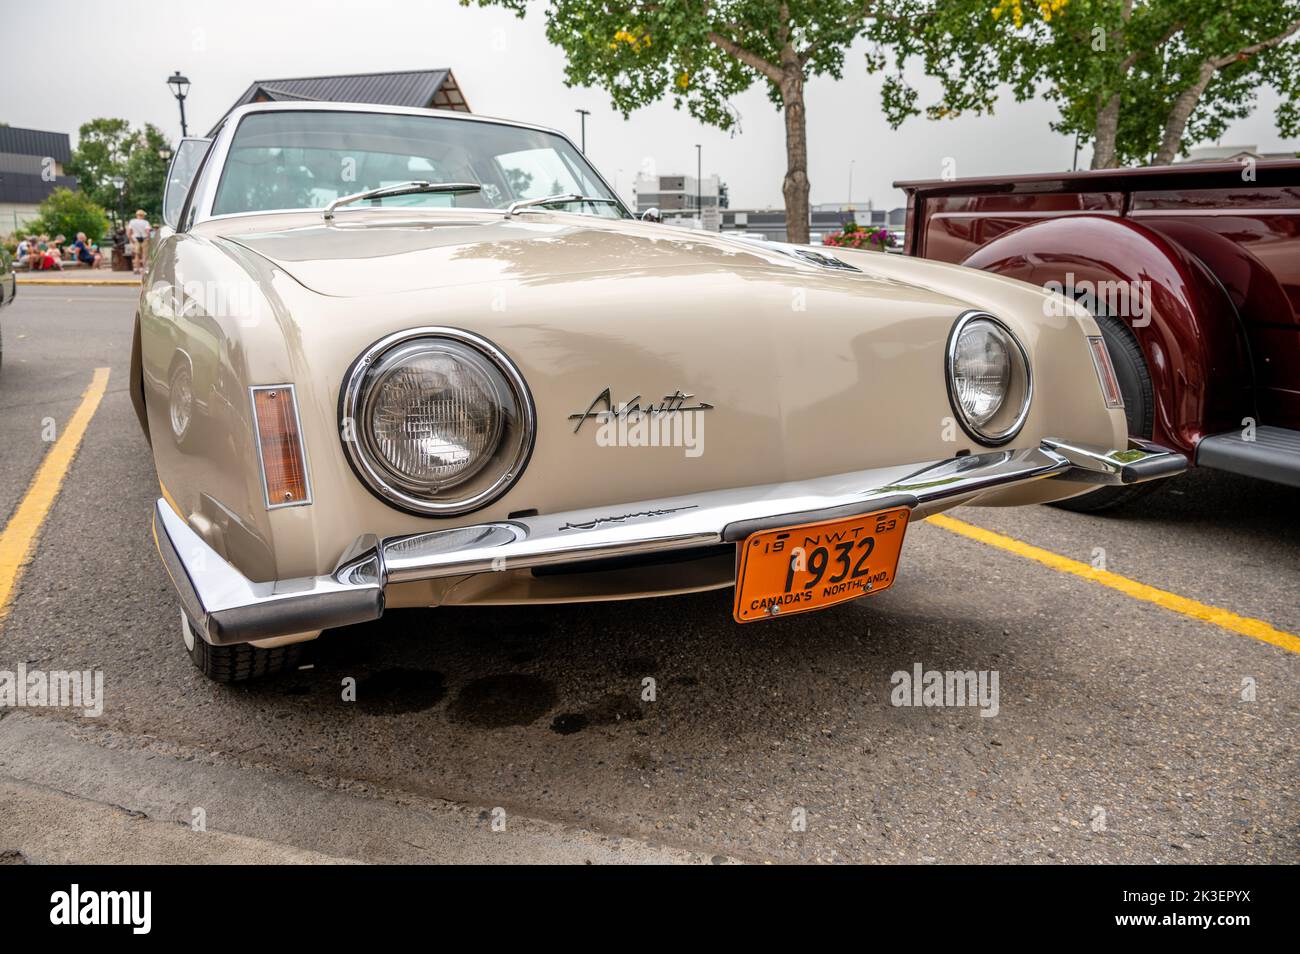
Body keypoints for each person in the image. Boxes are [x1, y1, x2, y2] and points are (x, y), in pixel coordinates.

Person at [126, 210, 152, 275]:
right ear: (143, 215)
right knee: (144, 255)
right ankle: (144, 270)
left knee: (136, 255)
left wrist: (131, 239)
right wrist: (149, 238)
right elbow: (147, 231)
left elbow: (129, 232)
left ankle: (137, 269)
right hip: (144, 239)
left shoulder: (132, 221)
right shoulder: (145, 222)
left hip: (136, 239)